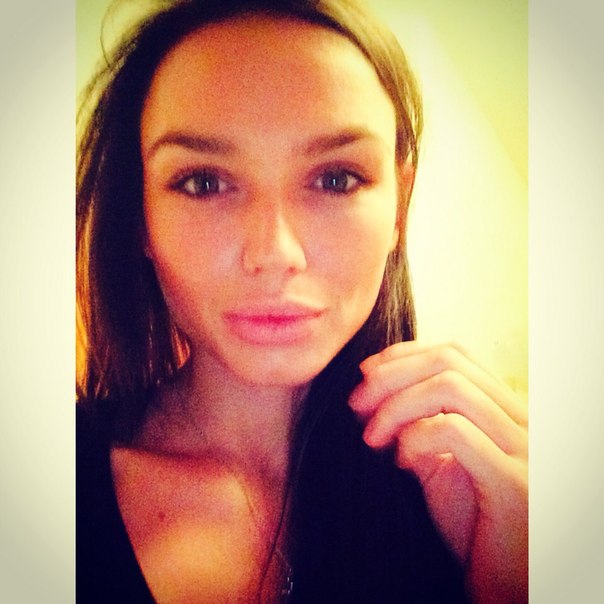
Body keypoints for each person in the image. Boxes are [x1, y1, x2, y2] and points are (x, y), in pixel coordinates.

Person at [76, 0, 528, 602]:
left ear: (399, 205)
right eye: (203, 183)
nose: (276, 253)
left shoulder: (476, 489)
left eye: (336, 178)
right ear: (140, 216)